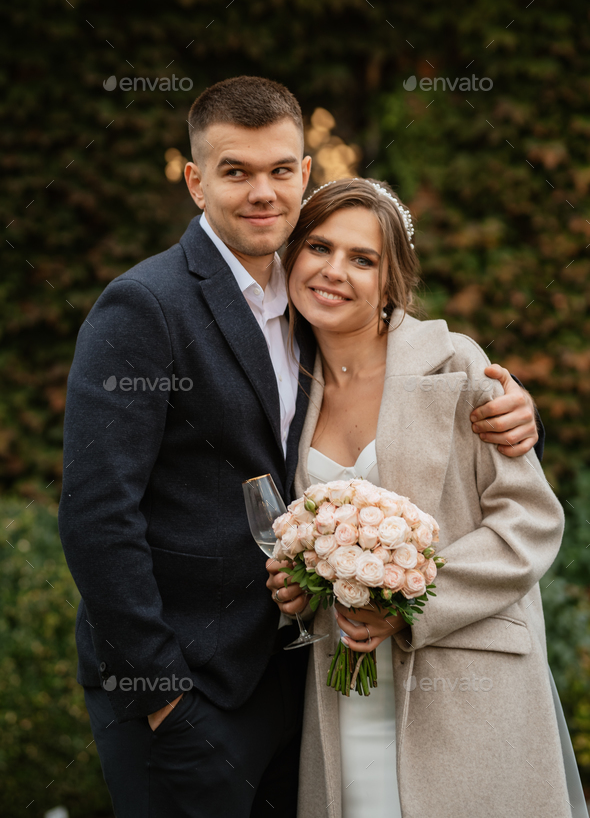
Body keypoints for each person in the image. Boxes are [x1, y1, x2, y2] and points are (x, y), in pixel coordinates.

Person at [59, 76, 542, 818]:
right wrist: (162, 697)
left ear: (304, 173)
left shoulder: (303, 312)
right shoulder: (145, 306)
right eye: (235, 171)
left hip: (295, 692)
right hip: (187, 692)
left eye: (280, 170)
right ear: (195, 181)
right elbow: (97, 515)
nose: (263, 193)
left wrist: (510, 405)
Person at [266, 177, 588, 818]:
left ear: (391, 283)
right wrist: (297, 588)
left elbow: (528, 520)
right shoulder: (286, 382)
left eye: (363, 259)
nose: (334, 271)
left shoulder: (457, 365)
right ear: (291, 257)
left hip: (464, 682)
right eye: (319, 247)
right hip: (343, 689)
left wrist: (408, 604)